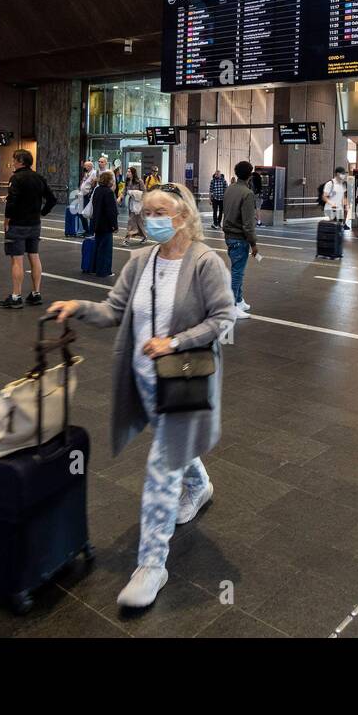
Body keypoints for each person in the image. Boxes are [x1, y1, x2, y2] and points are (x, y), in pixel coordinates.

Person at [47, 184, 235, 609]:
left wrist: (175, 342)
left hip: (182, 380)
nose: (151, 219)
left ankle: (152, 564)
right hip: (144, 381)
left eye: (160, 211)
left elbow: (224, 317)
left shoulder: (206, 262)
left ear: (183, 216)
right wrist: (78, 307)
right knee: (173, 448)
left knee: (160, 468)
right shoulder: (140, 261)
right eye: (146, 211)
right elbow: (114, 311)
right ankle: (199, 485)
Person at [0, 149, 58, 309]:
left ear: (20, 161)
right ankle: (36, 293)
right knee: (34, 256)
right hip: (34, 224)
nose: (12, 162)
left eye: (14, 159)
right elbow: (52, 199)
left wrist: (6, 220)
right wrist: (42, 213)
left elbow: (12, 201)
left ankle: (16, 296)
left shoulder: (16, 178)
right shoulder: (39, 177)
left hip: (18, 224)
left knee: (17, 260)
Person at [221, 161, 257, 320]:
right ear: (250, 175)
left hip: (229, 236)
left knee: (237, 269)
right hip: (239, 238)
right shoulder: (247, 193)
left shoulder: (230, 189)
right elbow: (248, 223)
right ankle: (231, 306)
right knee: (237, 272)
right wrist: (253, 243)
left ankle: (239, 300)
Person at [89, 171, 119, 278]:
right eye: (112, 180)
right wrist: (115, 225)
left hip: (97, 222)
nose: (113, 182)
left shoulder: (97, 190)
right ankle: (104, 271)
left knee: (97, 247)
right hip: (106, 225)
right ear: (108, 181)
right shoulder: (109, 193)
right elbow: (112, 211)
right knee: (106, 249)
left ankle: (94, 268)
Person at [123, 169, 145, 244]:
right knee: (131, 221)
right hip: (131, 204)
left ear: (133, 173)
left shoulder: (139, 181)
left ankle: (144, 236)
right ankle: (127, 239)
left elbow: (144, 192)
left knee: (139, 221)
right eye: (127, 171)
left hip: (139, 204)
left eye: (129, 171)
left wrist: (134, 193)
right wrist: (120, 197)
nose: (127, 173)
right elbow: (124, 191)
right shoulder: (127, 181)